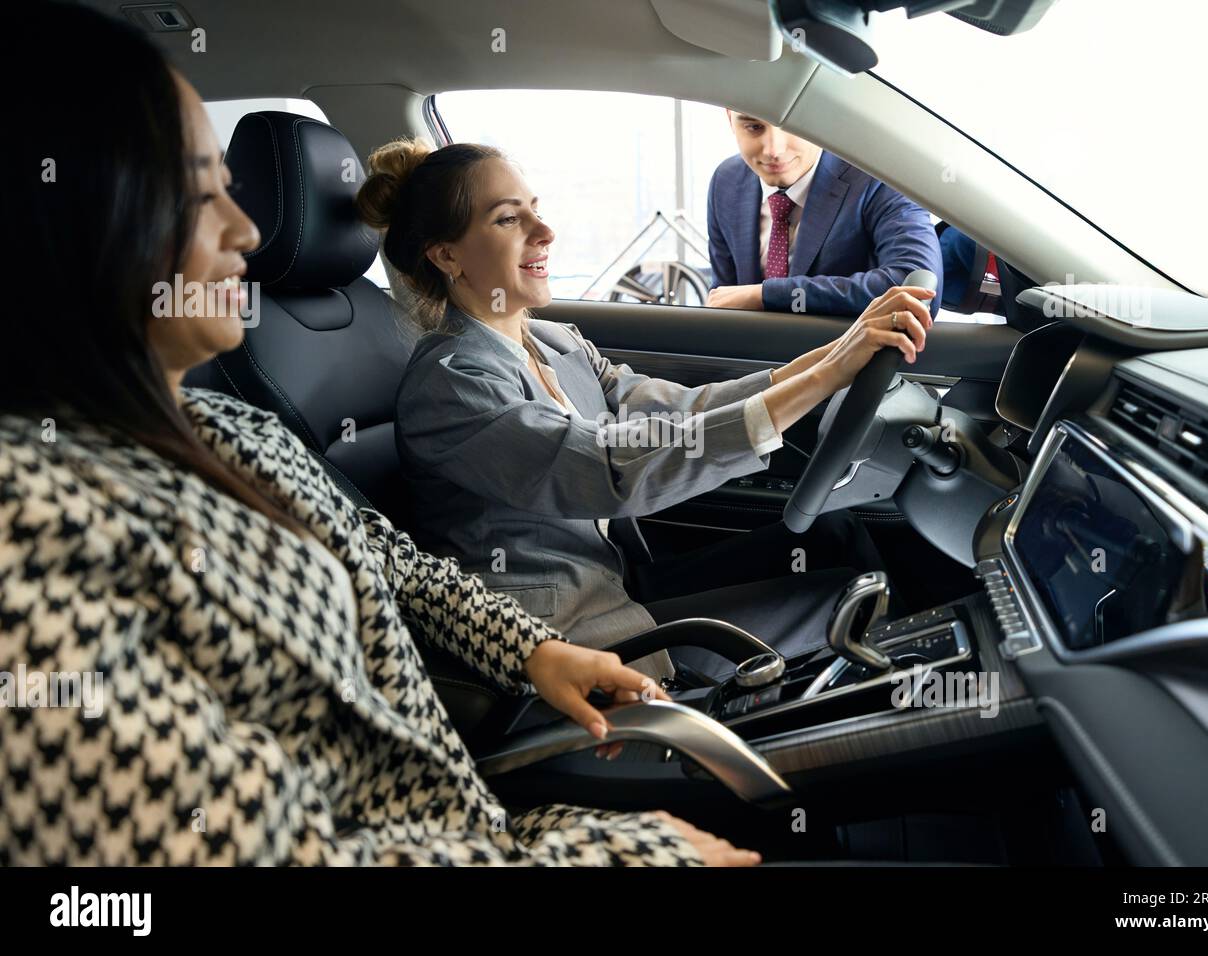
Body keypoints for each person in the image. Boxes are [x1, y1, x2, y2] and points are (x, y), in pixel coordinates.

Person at [0, 2, 759, 866]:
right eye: (197, 189)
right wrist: (622, 855)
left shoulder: (225, 428)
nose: (243, 230)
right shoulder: (28, 531)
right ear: (69, 214)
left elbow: (392, 562)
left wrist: (535, 649)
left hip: (466, 827)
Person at [370, 140, 934, 683]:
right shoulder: (452, 382)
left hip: (620, 582)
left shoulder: (554, 342)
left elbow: (681, 410)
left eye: (535, 211)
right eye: (508, 220)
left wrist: (839, 354)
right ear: (446, 255)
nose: (545, 232)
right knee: (849, 602)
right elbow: (608, 468)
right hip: (569, 636)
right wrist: (825, 378)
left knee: (836, 541)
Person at [706, 110, 943, 319]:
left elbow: (918, 289)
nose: (773, 150)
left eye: (791, 126)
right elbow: (724, 297)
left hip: (847, 362)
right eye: (753, 127)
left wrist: (767, 295)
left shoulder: (877, 177)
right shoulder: (726, 181)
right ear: (730, 119)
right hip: (751, 363)